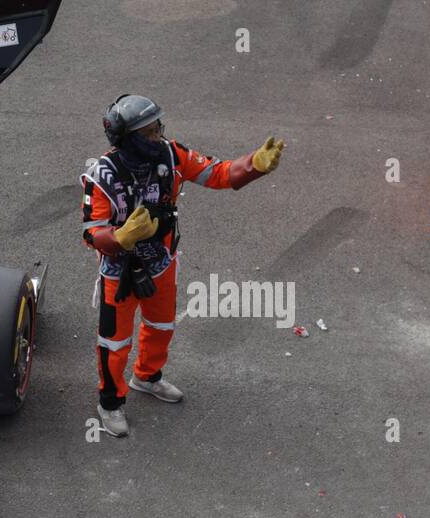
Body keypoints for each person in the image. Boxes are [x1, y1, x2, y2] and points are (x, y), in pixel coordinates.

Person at [81, 94, 284, 437]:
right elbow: (91, 231)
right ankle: (110, 402)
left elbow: (217, 173)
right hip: (120, 273)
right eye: (149, 132)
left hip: (162, 263)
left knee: (161, 326)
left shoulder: (172, 155)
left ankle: (147, 377)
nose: (158, 136)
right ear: (127, 137)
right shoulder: (100, 175)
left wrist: (254, 165)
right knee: (114, 343)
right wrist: (121, 238)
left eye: (158, 127)